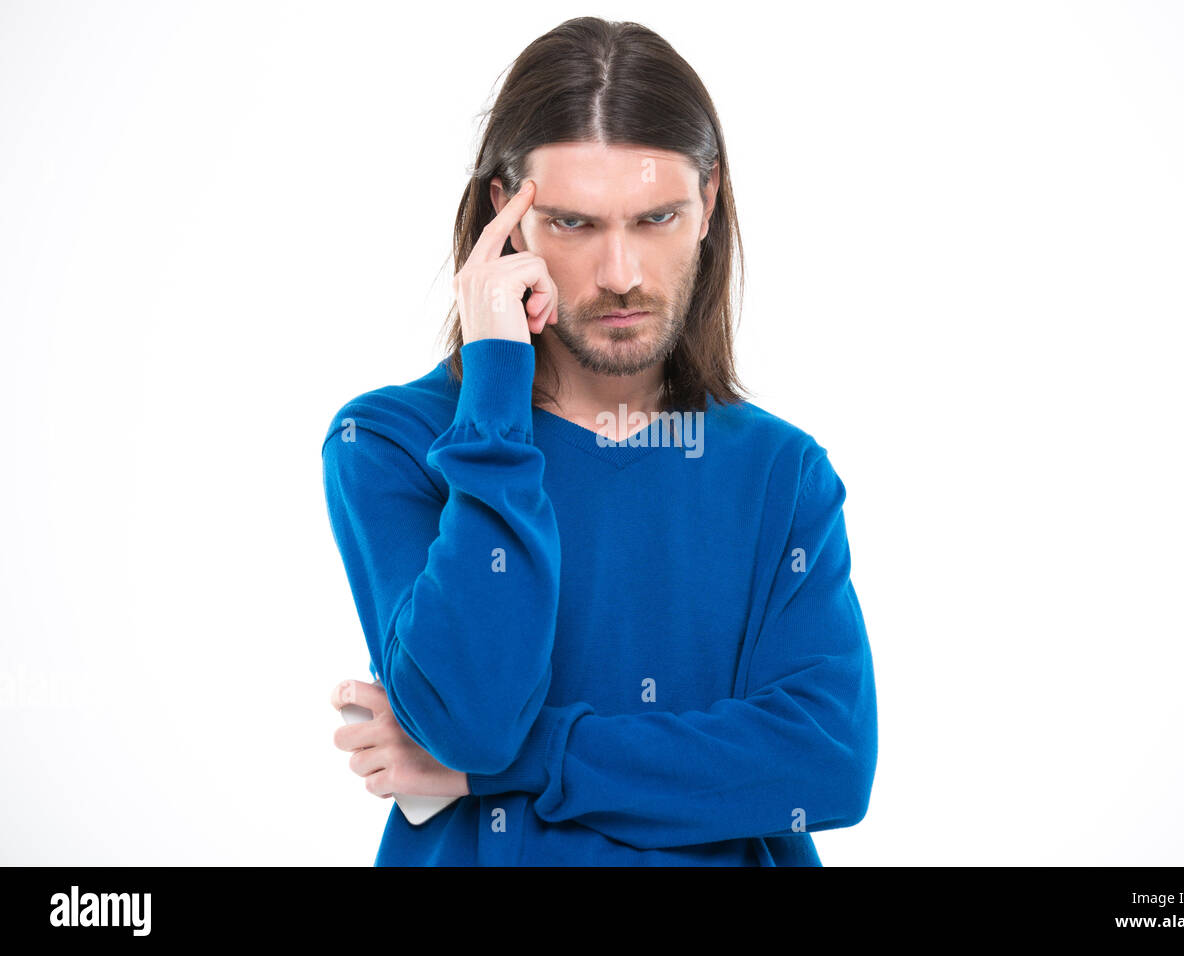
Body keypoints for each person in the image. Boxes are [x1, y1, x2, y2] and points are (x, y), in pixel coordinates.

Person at [320, 16, 877, 866]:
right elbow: (473, 716)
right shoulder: (394, 443)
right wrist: (496, 381)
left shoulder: (779, 474)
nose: (621, 273)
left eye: (655, 218)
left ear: (709, 204)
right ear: (504, 215)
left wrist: (509, 767)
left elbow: (826, 765)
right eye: (576, 224)